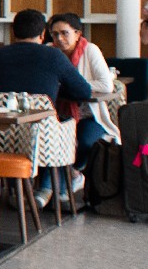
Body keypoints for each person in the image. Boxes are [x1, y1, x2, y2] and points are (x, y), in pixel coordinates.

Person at [0, 8, 92, 205]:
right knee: (62, 121)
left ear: (13, 32)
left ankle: (25, 190)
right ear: (43, 34)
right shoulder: (53, 56)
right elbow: (84, 91)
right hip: (43, 139)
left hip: (2, 135)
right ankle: (54, 190)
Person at [47, 12, 119, 186]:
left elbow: (106, 85)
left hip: (89, 115)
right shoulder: (50, 52)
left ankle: (76, 171)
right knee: (51, 142)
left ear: (77, 34)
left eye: (64, 33)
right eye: (55, 34)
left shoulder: (90, 50)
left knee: (85, 142)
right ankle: (56, 187)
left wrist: (75, 85)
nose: (59, 38)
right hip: (59, 115)